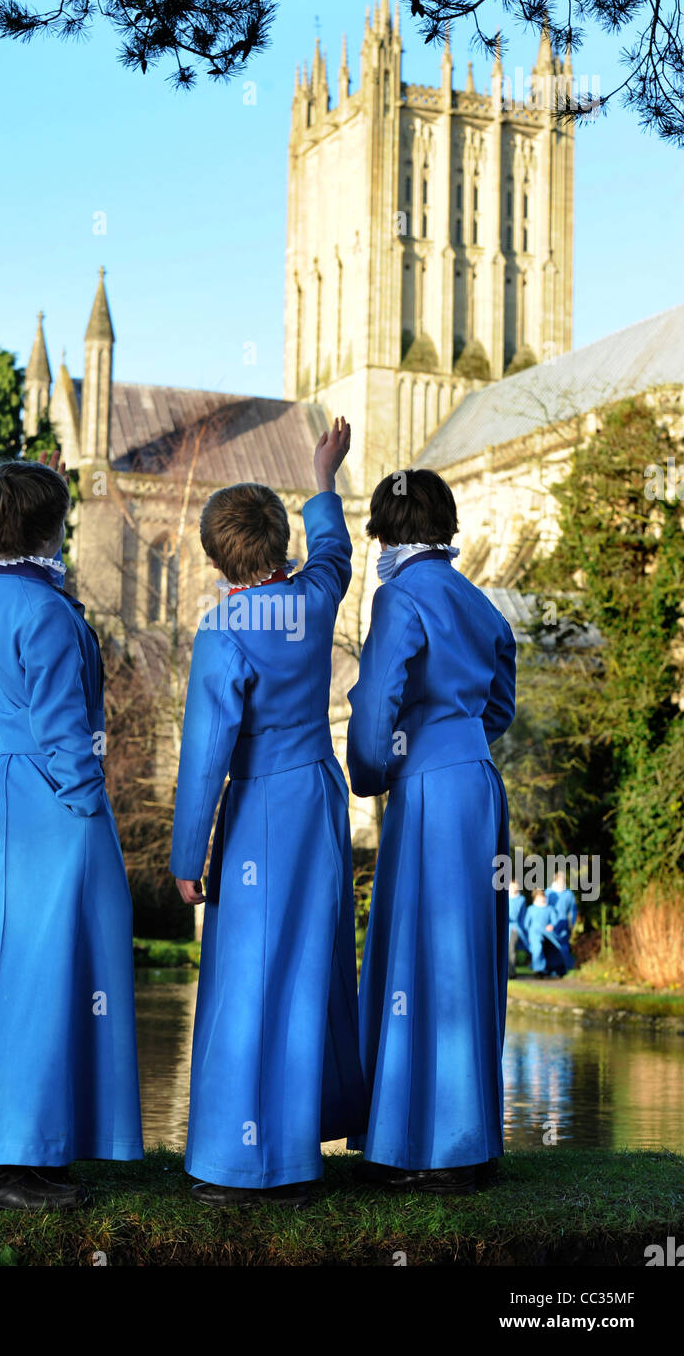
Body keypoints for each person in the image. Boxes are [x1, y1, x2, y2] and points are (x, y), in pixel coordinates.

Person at [0, 455, 143, 1210]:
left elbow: (23, 566)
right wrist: (91, 814)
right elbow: (62, 734)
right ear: (52, 530)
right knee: (40, 975)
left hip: (2, 792)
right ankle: (3, 1164)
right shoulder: (47, 612)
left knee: (0, 972)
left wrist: (31, 495)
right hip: (50, 802)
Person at [170, 417, 367, 1209]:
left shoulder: (222, 631)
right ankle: (289, 1160)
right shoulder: (314, 601)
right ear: (276, 545)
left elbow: (205, 755)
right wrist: (324, 475)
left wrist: (189, 856)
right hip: (316, 802)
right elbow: (337, 554)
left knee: (246, 978)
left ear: (217, 559)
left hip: (255, 808)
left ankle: (234, 1165)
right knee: (304, 970)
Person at [345, 468, 516, 1195]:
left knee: (422, 955)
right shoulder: (481, 603)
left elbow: (376, 704)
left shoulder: (397, 595)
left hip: (427, 790)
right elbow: (499, 710)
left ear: (382, 536)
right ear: (445, 529)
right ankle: (467, 1139)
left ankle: (423, 1145)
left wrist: (369, 773)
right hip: (477, 783)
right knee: (469, 955)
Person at [525, 889, 569, 977]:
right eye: (539, 897)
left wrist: (552, 925)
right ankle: (538, 970)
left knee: (555, 947)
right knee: (537, 949)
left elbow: (555, 921)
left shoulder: (549, 909)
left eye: (543, 897)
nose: (542, 899)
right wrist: (528, 935)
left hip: (547, 932)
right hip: (534, 933)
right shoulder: (531, 909)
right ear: (535, 898)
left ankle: (556, 968)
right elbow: (526, 924)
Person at [546, 870, 577, 971]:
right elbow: (545, 909)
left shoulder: (569, 894)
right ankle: (551, 968)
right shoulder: (548, 892)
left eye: (563, 880)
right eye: (559, 880)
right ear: (555, 880)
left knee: (563, 945)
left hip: (564, 924)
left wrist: (571, 924)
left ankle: (565, 968)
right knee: (551, 947)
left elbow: (572, 910)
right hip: (551, 925)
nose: (561, 882)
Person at [507, 879, 529, 980]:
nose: (514, 888)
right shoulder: (504, 898)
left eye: (516, 886)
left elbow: (523, 916)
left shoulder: (521, 899)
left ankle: (511, 972)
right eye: (512, 886)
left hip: (514, 928)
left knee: (511, 948)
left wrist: (521, 929)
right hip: (505, 927)